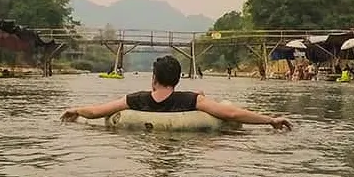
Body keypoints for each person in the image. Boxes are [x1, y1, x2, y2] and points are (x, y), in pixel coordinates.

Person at [61, 55, 291, 130]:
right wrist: (271, 120)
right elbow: (231, 114)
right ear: (178, 79)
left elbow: (96, 112)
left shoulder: (135, 100)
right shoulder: (191, 100)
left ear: (153, 79)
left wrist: (75, 110)